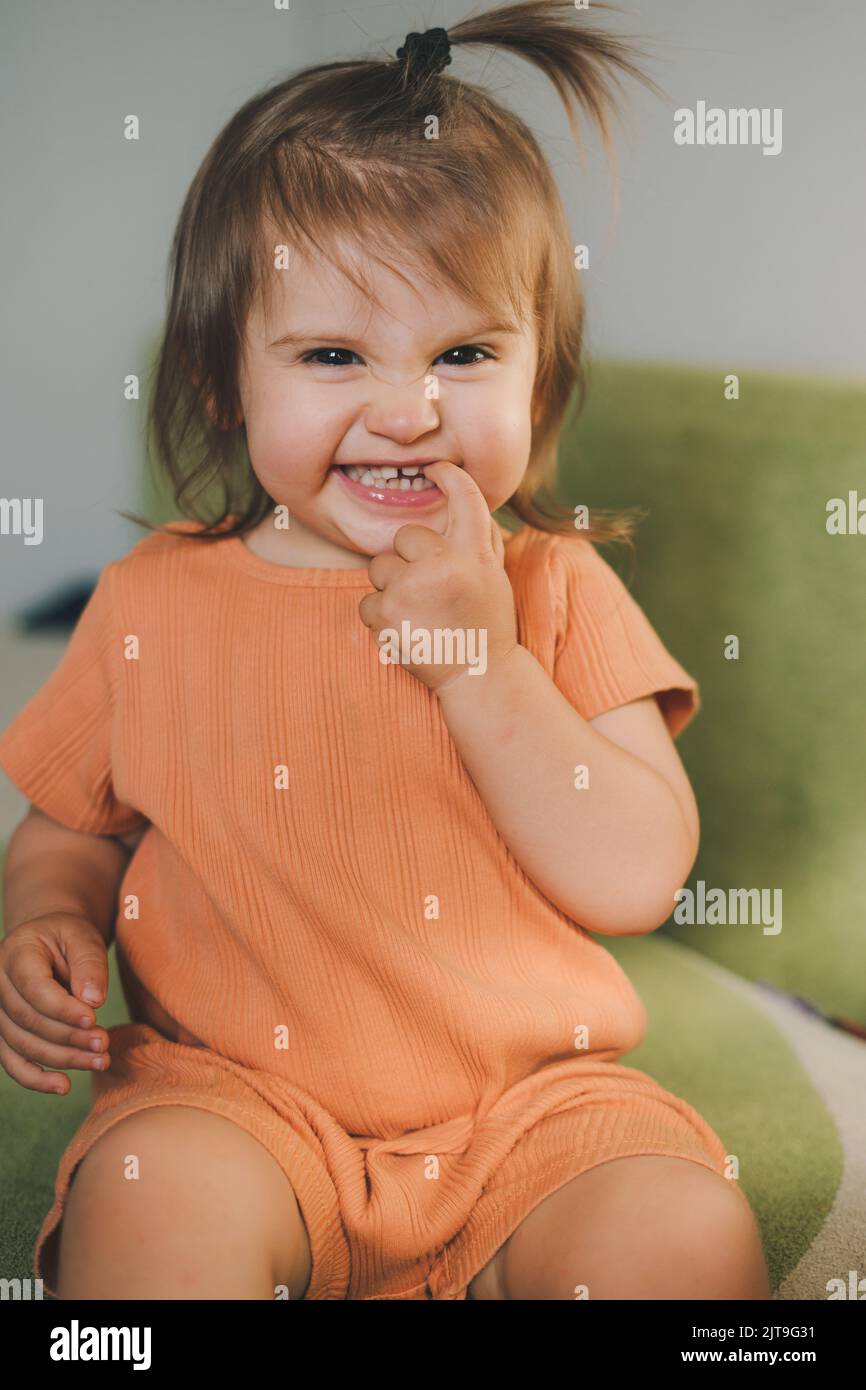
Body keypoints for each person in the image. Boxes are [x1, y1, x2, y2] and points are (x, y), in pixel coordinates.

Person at [0, 2, 771, 1300]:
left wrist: (482, 666)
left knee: (683, 1237)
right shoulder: (150, 603)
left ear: (536, 378)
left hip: (529, 1112)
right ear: (219, 387)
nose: (408, 410)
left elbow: (635, 872)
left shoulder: (553, 588)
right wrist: (45, 917)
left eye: (464, 352)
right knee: (146, 1224)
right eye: (334, 353)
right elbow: (68, 826)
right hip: (231, 1097)